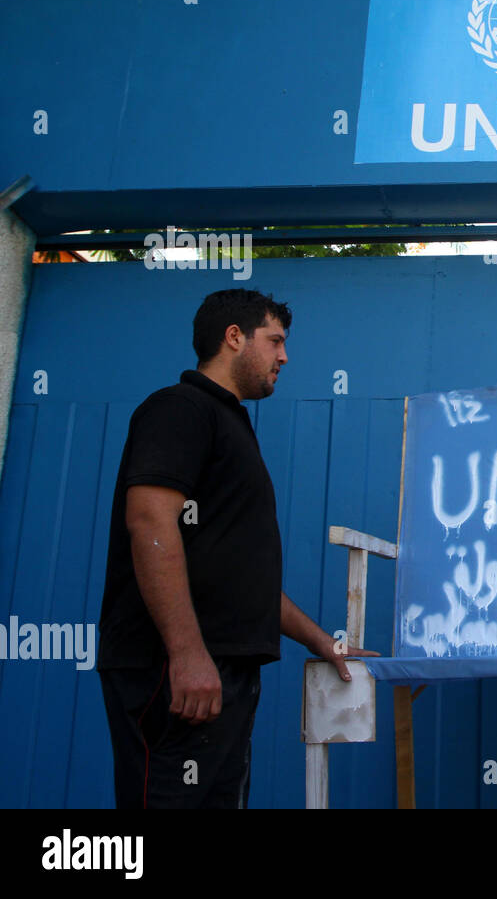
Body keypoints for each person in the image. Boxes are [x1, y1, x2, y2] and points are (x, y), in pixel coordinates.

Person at [97, 289, 376, 808]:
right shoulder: (179, 408)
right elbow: (150, 523)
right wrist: (186, 654)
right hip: (176, 671)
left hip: (222, 673)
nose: (283, 357)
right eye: (274, 341)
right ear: (234, 338)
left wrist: (321, 641)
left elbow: (242, 580)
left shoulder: (232, 424)